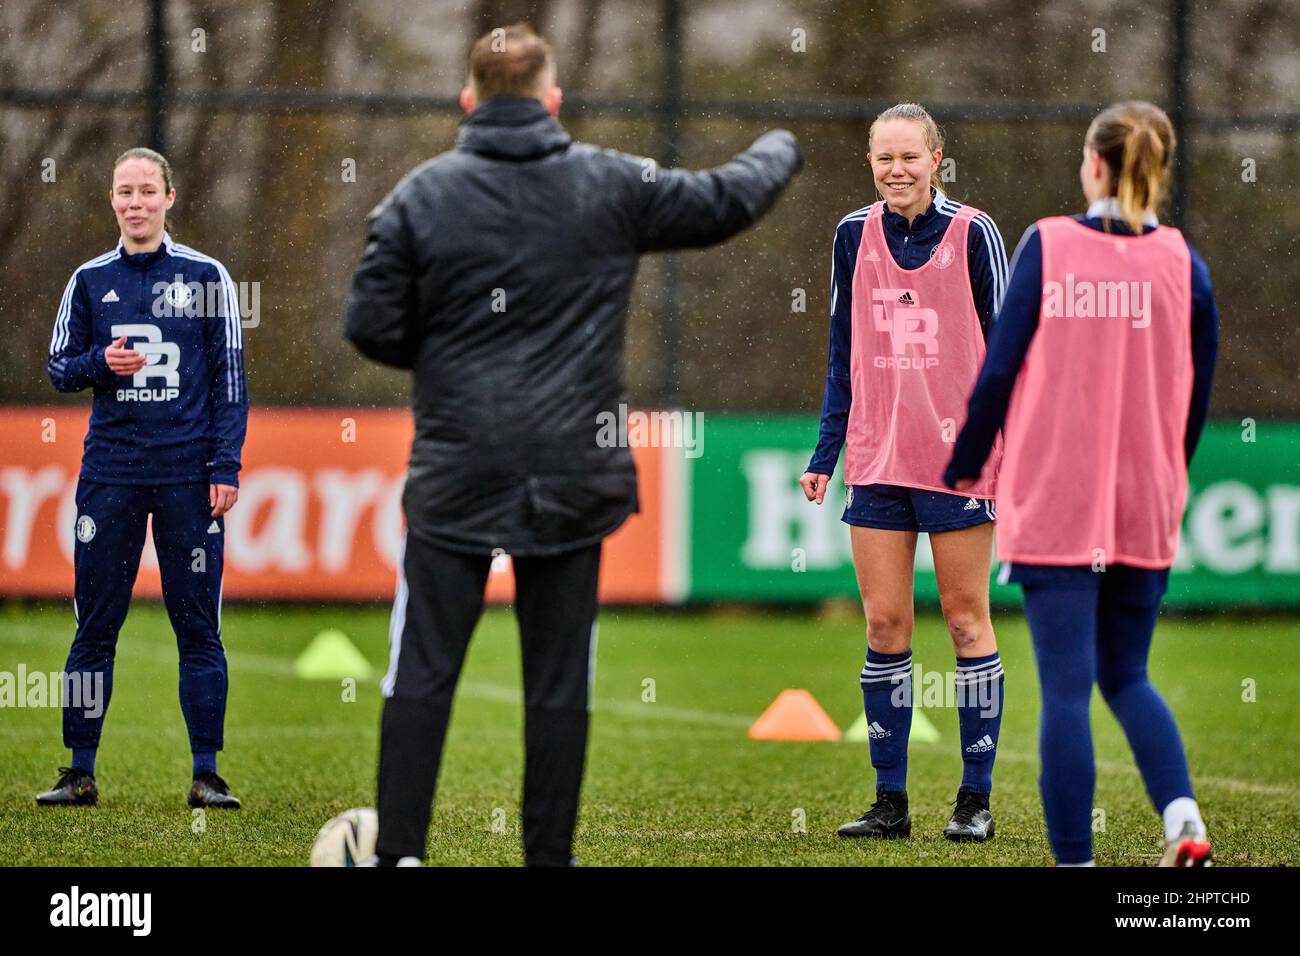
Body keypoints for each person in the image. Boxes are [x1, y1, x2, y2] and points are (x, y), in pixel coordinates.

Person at [343, 23, 801, 867]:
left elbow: (369, 325)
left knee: (423, 670)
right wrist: (782, 142)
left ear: (469, 100)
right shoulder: (613, 183)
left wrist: (450, 358)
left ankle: (400, 852)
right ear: (553, 100)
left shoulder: (419, 195)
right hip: (572, 470)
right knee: (558, 683)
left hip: (456, 469)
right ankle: (546, 858)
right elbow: (728, 199)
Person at [944, 101, 1219, 867]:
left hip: (1060, 497)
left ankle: (1076, 863)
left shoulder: (1049, 245)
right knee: (1128, 676)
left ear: (1095, 164)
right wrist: (1169, 467)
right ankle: (1184, 820)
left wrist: (965, 456)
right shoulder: (1182, 261)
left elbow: (999, 366)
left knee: (1066, 689)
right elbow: (1195, 391)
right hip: (1145, 500)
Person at [800, 103, 1010, 842]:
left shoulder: (974, 232)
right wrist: (827, 453)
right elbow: (840, 351)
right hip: (878, 459)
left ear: (936, 158)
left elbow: (1012, 352)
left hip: (960, 464)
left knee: (963, 618)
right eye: (884, 158)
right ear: (870, 162)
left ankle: (973, 800)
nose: (897, 169)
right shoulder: (852, 235)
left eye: (910, 157)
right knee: (886, 623)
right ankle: (890, 804)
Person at [39, 147, 248, 809]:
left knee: (198, 628)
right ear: (112, 200)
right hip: (112, 475)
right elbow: (58, 367)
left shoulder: (207, 276)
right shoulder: (88, 280)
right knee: (95, 628)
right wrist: (103, 361)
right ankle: (79, 772)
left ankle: (207, 775)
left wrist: (225, 465)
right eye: (124, 191)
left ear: (169, 198)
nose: (135, 202)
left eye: (146, 191)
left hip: (189, 477)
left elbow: (230, 382)